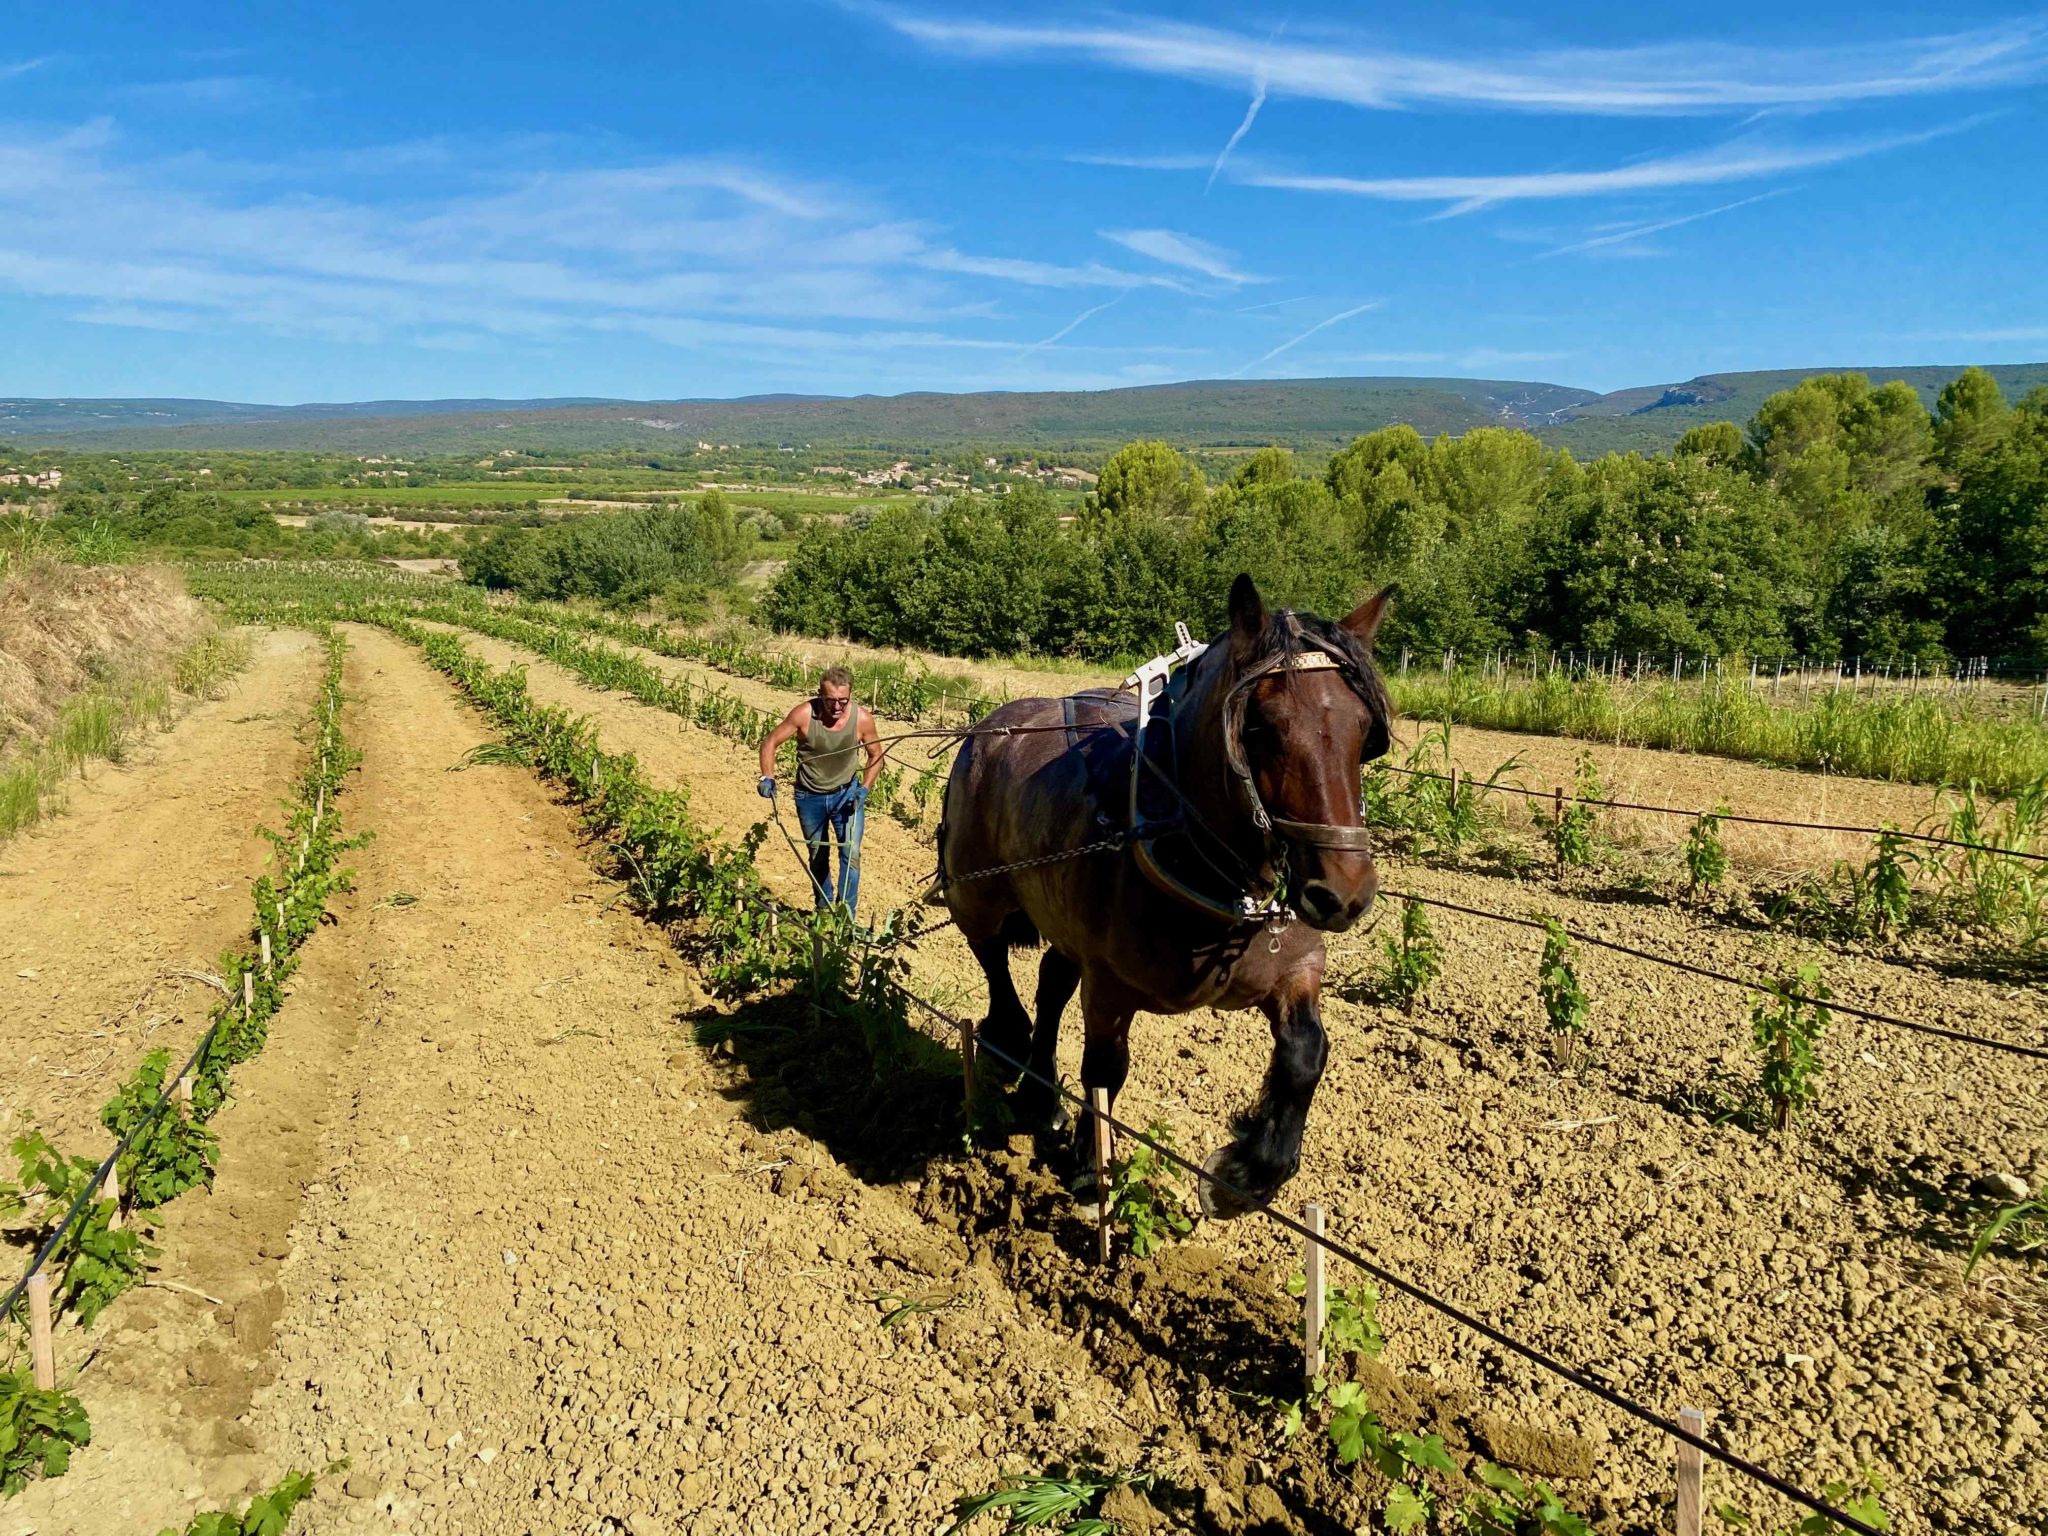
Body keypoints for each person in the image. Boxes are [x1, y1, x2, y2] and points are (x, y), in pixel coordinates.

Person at [757, 665, 884, 915]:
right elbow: (770, 742)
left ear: (850, 696)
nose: (837, 706)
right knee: (817, 853)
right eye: (830, 700)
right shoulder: (804, 714)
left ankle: (845, 915)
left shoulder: (862, 719)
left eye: (843, 701)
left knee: (851, 852)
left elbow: (876, 755)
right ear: (820, 695)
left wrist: (865, 788)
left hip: (846, 795)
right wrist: (767, 776)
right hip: (809, 797)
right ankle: (824, 909)